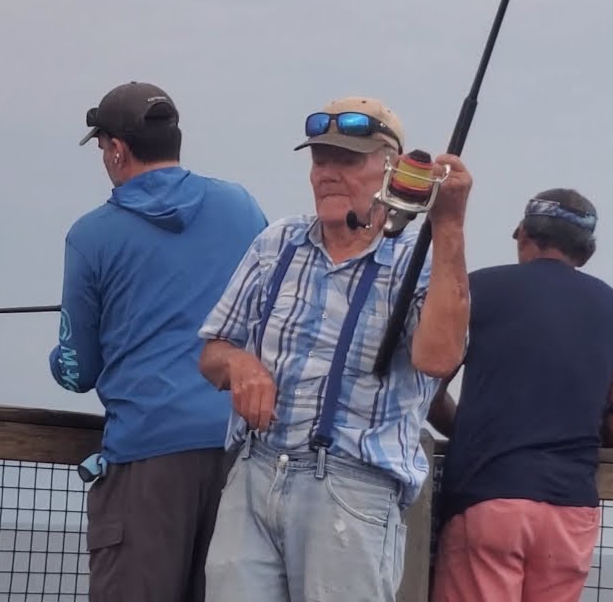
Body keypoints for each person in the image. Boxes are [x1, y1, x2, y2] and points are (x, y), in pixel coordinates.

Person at [196, 96, 472, 601]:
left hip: (354, 490)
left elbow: (439, 359)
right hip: (254, 474)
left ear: (392, 168)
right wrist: (240, 363)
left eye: (347, 160)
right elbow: (211, 353)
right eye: (321, 159)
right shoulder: (276, 243)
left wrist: (448, 226)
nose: (327, 172)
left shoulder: (422, 261)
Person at [47, 81, 269, 601]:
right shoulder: (240, 206)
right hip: (239, 455)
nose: (104, 156)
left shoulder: (91, 235)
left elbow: (79, 372)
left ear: (117, 149)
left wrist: (59, 358)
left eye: (102, 146)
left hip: (146, 461)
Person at [428, 189, 613, 602]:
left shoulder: (477, 290)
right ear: (586, 253)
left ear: (524, 234)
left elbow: (429, 392)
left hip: (488, 495)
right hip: (570, 511)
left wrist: (469, 430)